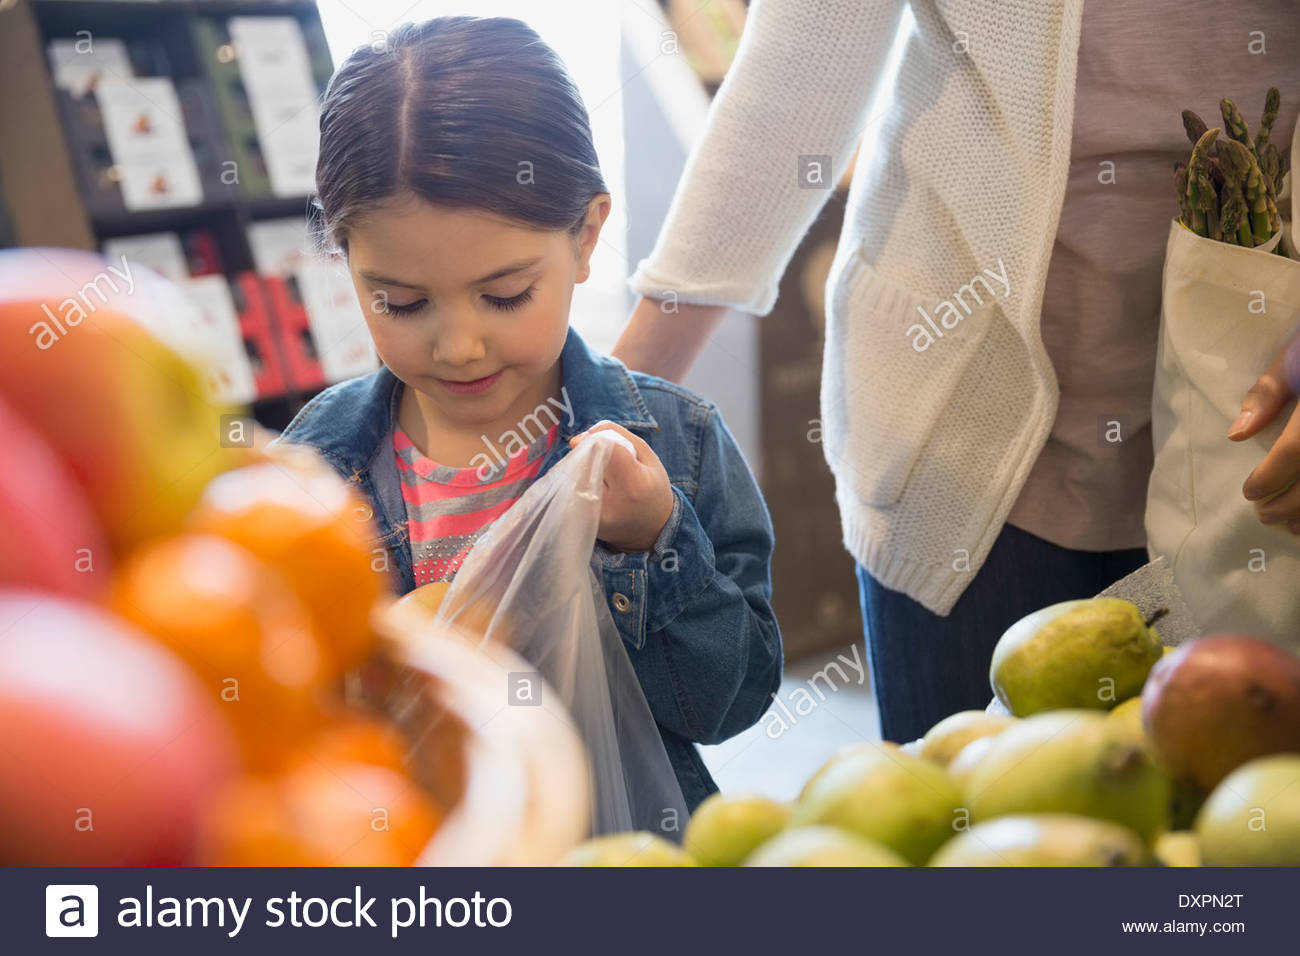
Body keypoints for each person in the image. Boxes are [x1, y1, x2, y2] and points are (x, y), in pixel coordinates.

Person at [614, 1, 1300, 741]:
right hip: (960, 428)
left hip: (1254, 415)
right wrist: (612, 404)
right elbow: (799, 68)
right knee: (967, 828)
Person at [273, 17, 783, 812]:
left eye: (504, 295)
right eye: (401, 303)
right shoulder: (313, 475)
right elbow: (275, 715)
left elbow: (729, 704)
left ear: (586, 237)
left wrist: (653, 544)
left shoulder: (675, 445)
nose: (460, 346)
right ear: (345, 263)